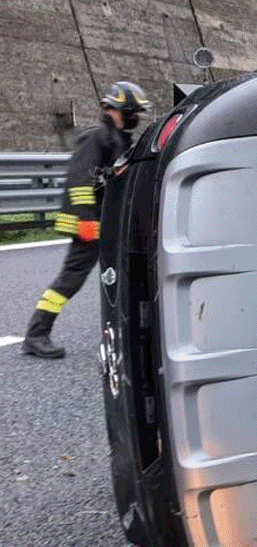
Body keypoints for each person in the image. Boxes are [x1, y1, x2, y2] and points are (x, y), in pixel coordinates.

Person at [21, 81, 149, 358]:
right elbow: (80, 180)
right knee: (71, 279)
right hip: (87, 225)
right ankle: (36, 334)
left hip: (106, 224)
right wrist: (86, 219)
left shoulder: (120, 140)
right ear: (115, 110)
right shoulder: (97, 138)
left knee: (123, 275)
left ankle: (129, 329)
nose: (135, 118)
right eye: (131, 112)